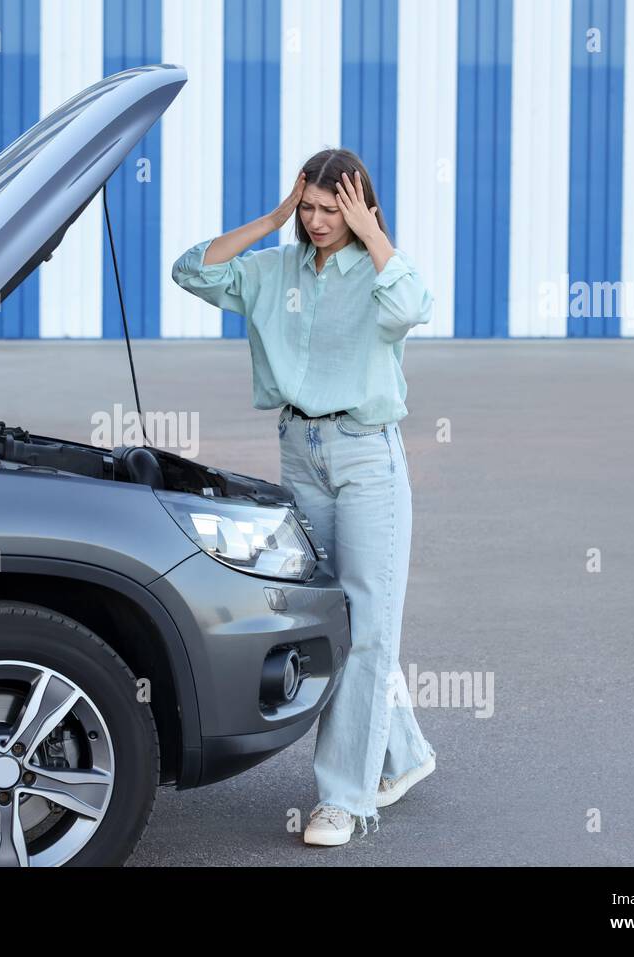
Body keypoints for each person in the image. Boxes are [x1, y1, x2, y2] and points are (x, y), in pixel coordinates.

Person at [170, 147, 437, 848]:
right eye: (311, 208)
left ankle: (344, 799)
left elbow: (416, 305)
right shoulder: (275, 271)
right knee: (334, 616)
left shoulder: (379, 277)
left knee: (371, 619)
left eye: (332, 210)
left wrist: (373, 233)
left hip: (366, 456)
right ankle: (402, 754)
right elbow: (193, 268)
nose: (319, 222)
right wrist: (273, 218)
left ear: (359, 211)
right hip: (302, 450)